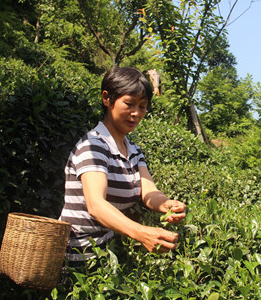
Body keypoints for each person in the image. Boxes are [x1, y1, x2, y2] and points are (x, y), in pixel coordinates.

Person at [59, 66, 186, 266]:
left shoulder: (133, 150)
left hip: (105, 257)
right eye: (129, 104)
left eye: (142, 106)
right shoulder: (93, 146)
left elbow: (149, 191)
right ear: (107, 98)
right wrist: (142, 233)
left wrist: (167, 204)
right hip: (75, 260)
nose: (136, 113)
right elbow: (96, 205)